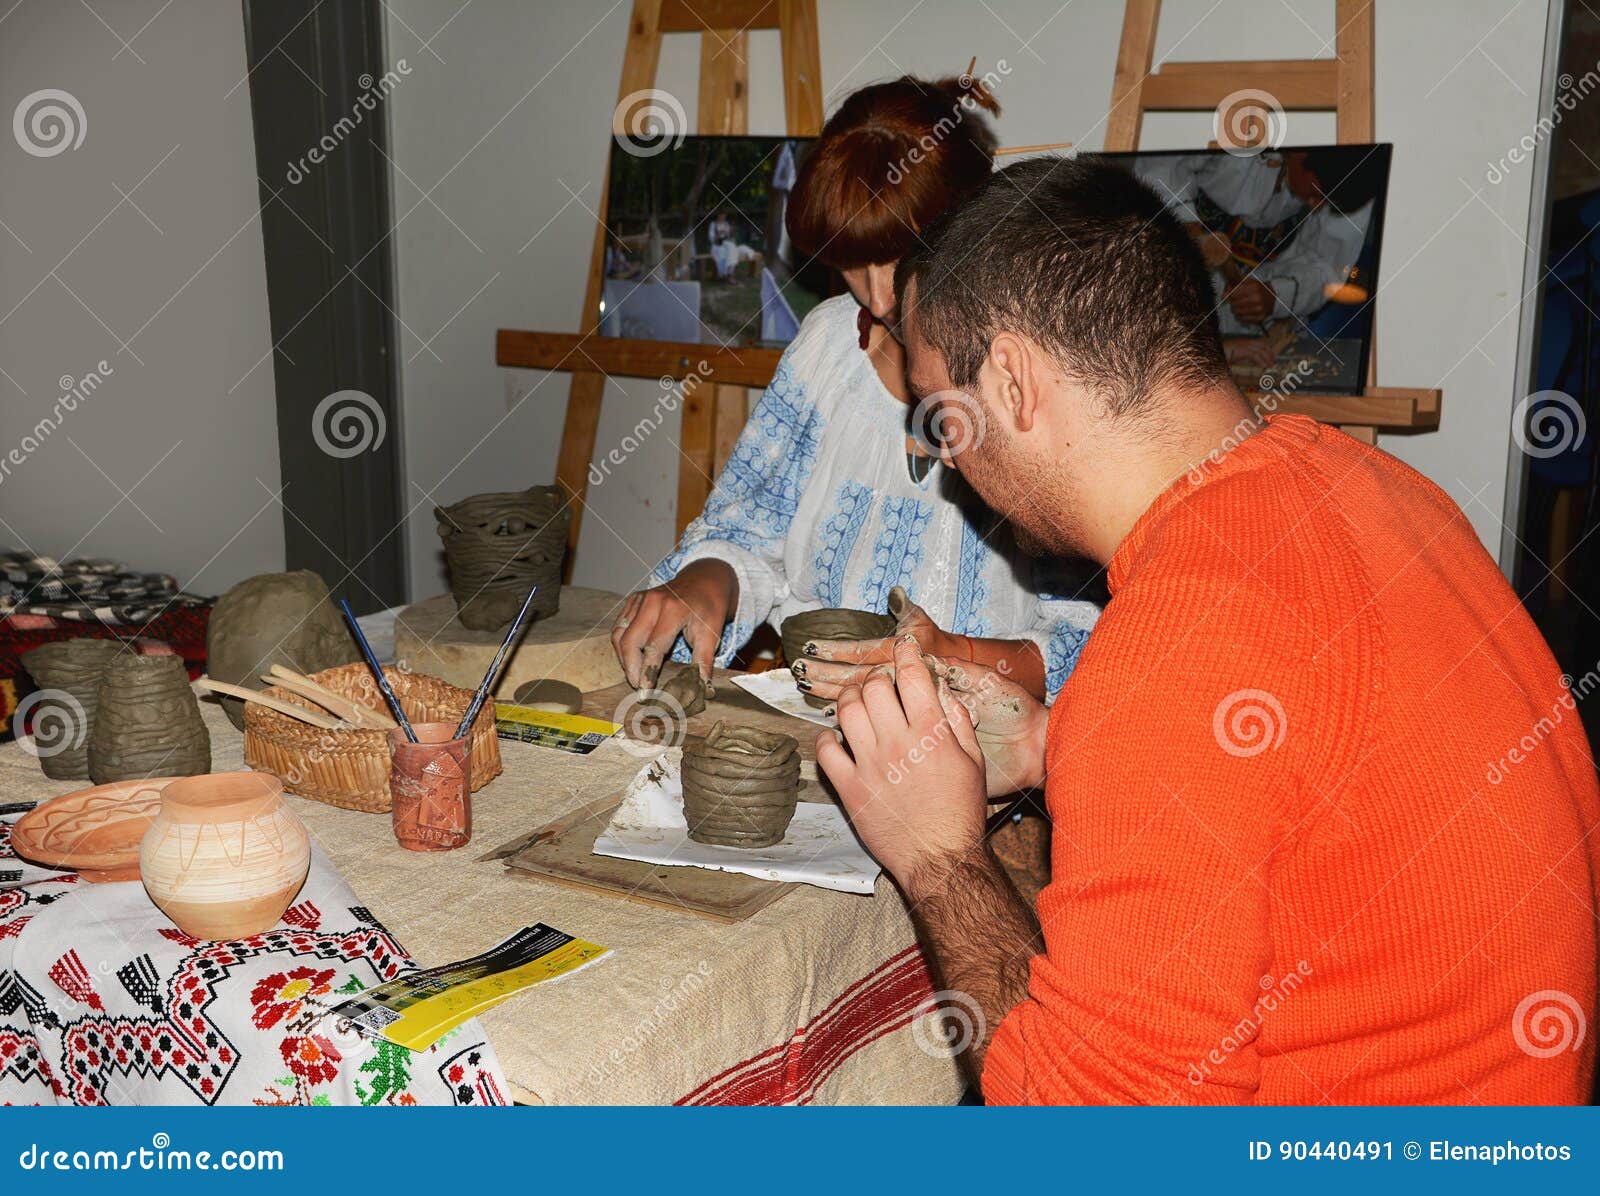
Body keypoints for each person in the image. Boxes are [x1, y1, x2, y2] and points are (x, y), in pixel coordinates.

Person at [818, 155, 1600, 1104]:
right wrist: (1054, 744)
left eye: (943, 411)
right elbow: (1301, 780)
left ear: (1014, 381)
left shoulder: (1177, 648)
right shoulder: (1377, 489)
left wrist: (936, 856)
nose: (945, 459)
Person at [612, 75, 1100, 707]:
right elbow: (749, 526)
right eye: (849, 261)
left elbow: (1094, 633)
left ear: (972, 228)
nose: (877, 296)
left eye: (899, 256)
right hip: (813, 722)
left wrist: (950, 655)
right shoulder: (828, 348)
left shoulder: (1037, 377)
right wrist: (709, 578)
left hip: (988, 739)